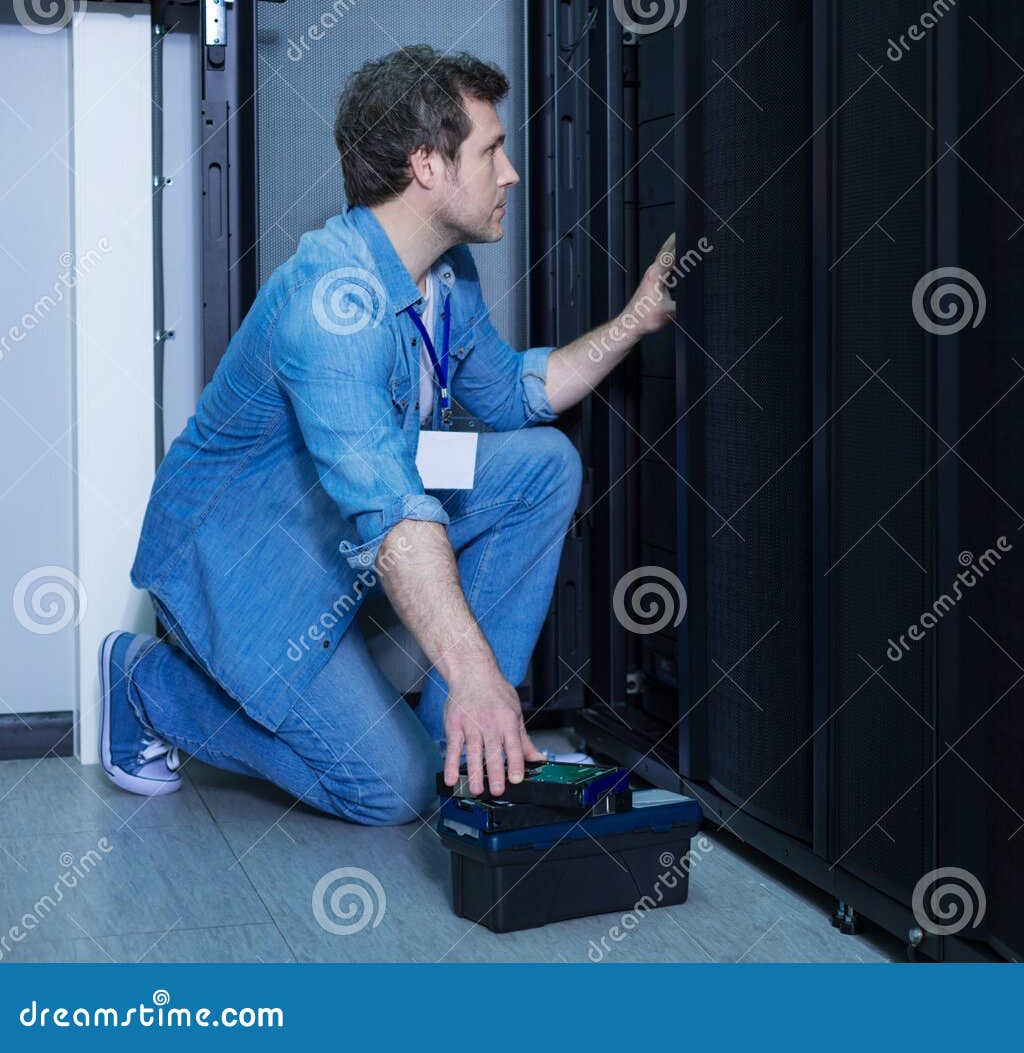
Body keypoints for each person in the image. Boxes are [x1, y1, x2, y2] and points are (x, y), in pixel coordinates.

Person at [97, 44, 673, 825]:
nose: (508, 173)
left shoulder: (444, 275)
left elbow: (510, 395)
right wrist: (474, 668)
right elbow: (393, 512)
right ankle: (147, 682)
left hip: (344, 532)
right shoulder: (328, 308)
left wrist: (638, 318)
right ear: (427, 165)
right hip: (248, 570)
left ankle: (462, 740)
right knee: (389, 791)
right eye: (491, 151)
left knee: (542, 463)